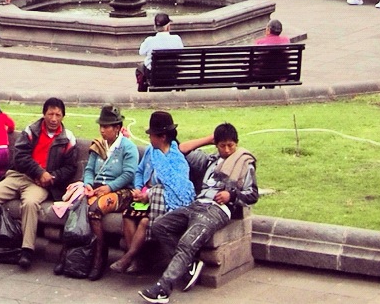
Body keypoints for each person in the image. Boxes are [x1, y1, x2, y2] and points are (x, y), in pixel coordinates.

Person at [0, 97, 79, 272]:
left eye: (58, 115)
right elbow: (20, 156)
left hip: (41, 184)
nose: (53, 118)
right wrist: (39, 172)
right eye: (50, 114)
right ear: (44, 114)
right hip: (18, 176)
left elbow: (70, 168)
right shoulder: (31, 130)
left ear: (63, 116)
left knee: (30, 204)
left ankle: (26, 250)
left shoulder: (68, 138)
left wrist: (51, 177)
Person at [140, 121, 259, 299]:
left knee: (187, 243)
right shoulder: (210, 160)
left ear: (237, 143)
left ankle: (163, 289)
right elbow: (182, 149)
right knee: (159, 225)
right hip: (196, 205)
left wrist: (231, 195)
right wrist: (210, 138)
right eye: (222, 145)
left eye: (230, 145)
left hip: (216, 211)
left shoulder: (244, 164)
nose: (226, 150)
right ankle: (189, 265)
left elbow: (253, 195)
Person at [110, 111, 194, 274]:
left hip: (163, 203)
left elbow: (178, 187)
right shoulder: (150, 151)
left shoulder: (176, 158)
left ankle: (128, 257)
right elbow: (140, 171)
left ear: (162, 137)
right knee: (128, 216)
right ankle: (137, 261)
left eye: (152, 135)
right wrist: (139, 188)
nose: (150, 138)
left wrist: (149, 194)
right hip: (143, 198)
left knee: (144, 222)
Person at [74, 104, 141, 279]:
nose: (102, 130)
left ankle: (99, 258)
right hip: (97, 189)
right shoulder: (98, 146)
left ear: (117, 128)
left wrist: (109, 187)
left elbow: (129, 174)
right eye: (101, 126)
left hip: (122, 191)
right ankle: (71, 257)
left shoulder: (128, 147)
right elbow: (89, 169)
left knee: (95, 210)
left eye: (106, 126)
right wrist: (88, 184)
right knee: (77, 206)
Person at [135, 13, 183, 92]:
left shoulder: (149, 40)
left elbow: (141, 52)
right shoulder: (176, 39)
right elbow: (180, 52)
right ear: (168, 27)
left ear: (155, 27)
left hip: (154, 75)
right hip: (171, 74)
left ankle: (142, 94)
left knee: (140, 69)